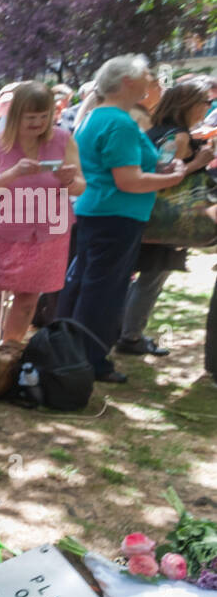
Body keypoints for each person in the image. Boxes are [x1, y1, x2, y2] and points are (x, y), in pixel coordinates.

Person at [58, 54, 189, 383]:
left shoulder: (97, 117)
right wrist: (171, 179)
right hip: (115, 214)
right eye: (148, 75)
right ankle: (89, 359)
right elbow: (128, 180)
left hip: (99, 211)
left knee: (86, 282)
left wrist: (159, 169)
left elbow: (124, 169)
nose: (153, 81)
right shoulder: (117, 121)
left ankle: (71, 351)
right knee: (103, 289)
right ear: (127, 81)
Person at [0, 82, 85, 381]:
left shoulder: (64, 140)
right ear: (16, 117)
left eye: (43, 117)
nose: (38, 124)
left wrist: (68, 180)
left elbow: (80, 185)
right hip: (2, 228)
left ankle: (7, 360)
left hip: (46, 231)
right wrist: (12, 174)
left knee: (28, 297)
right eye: (30, 118)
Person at [117, 80, 216, 357]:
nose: (207, 108)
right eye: (205, 102)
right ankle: (131, 336)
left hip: (144, 212)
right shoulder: (177, 137)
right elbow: (163, 175)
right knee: (152, 278)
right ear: (189, 104)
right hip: (166, 218)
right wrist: (199, 162)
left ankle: (122, 329)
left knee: (139, 276)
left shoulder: (158, 130)